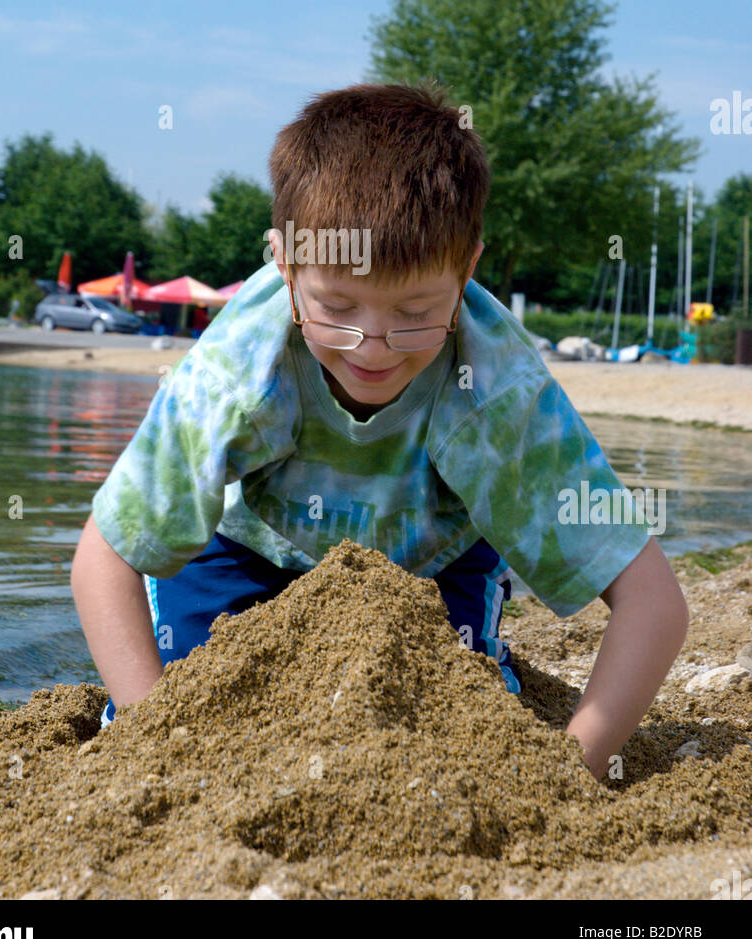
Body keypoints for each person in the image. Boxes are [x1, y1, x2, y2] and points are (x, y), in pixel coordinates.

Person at [71, 83, 688, 780]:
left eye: (416, 311)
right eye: (336, 307)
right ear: (284, 261)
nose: (373, 347)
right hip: (246, 546)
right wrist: (150, 739)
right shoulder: (239, 370)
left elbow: (653, 602)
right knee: (174, 693)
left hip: (429, 562)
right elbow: (106, 557)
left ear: (467, 271)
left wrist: (570, 770)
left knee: (454, 742)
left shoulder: (496, 391)